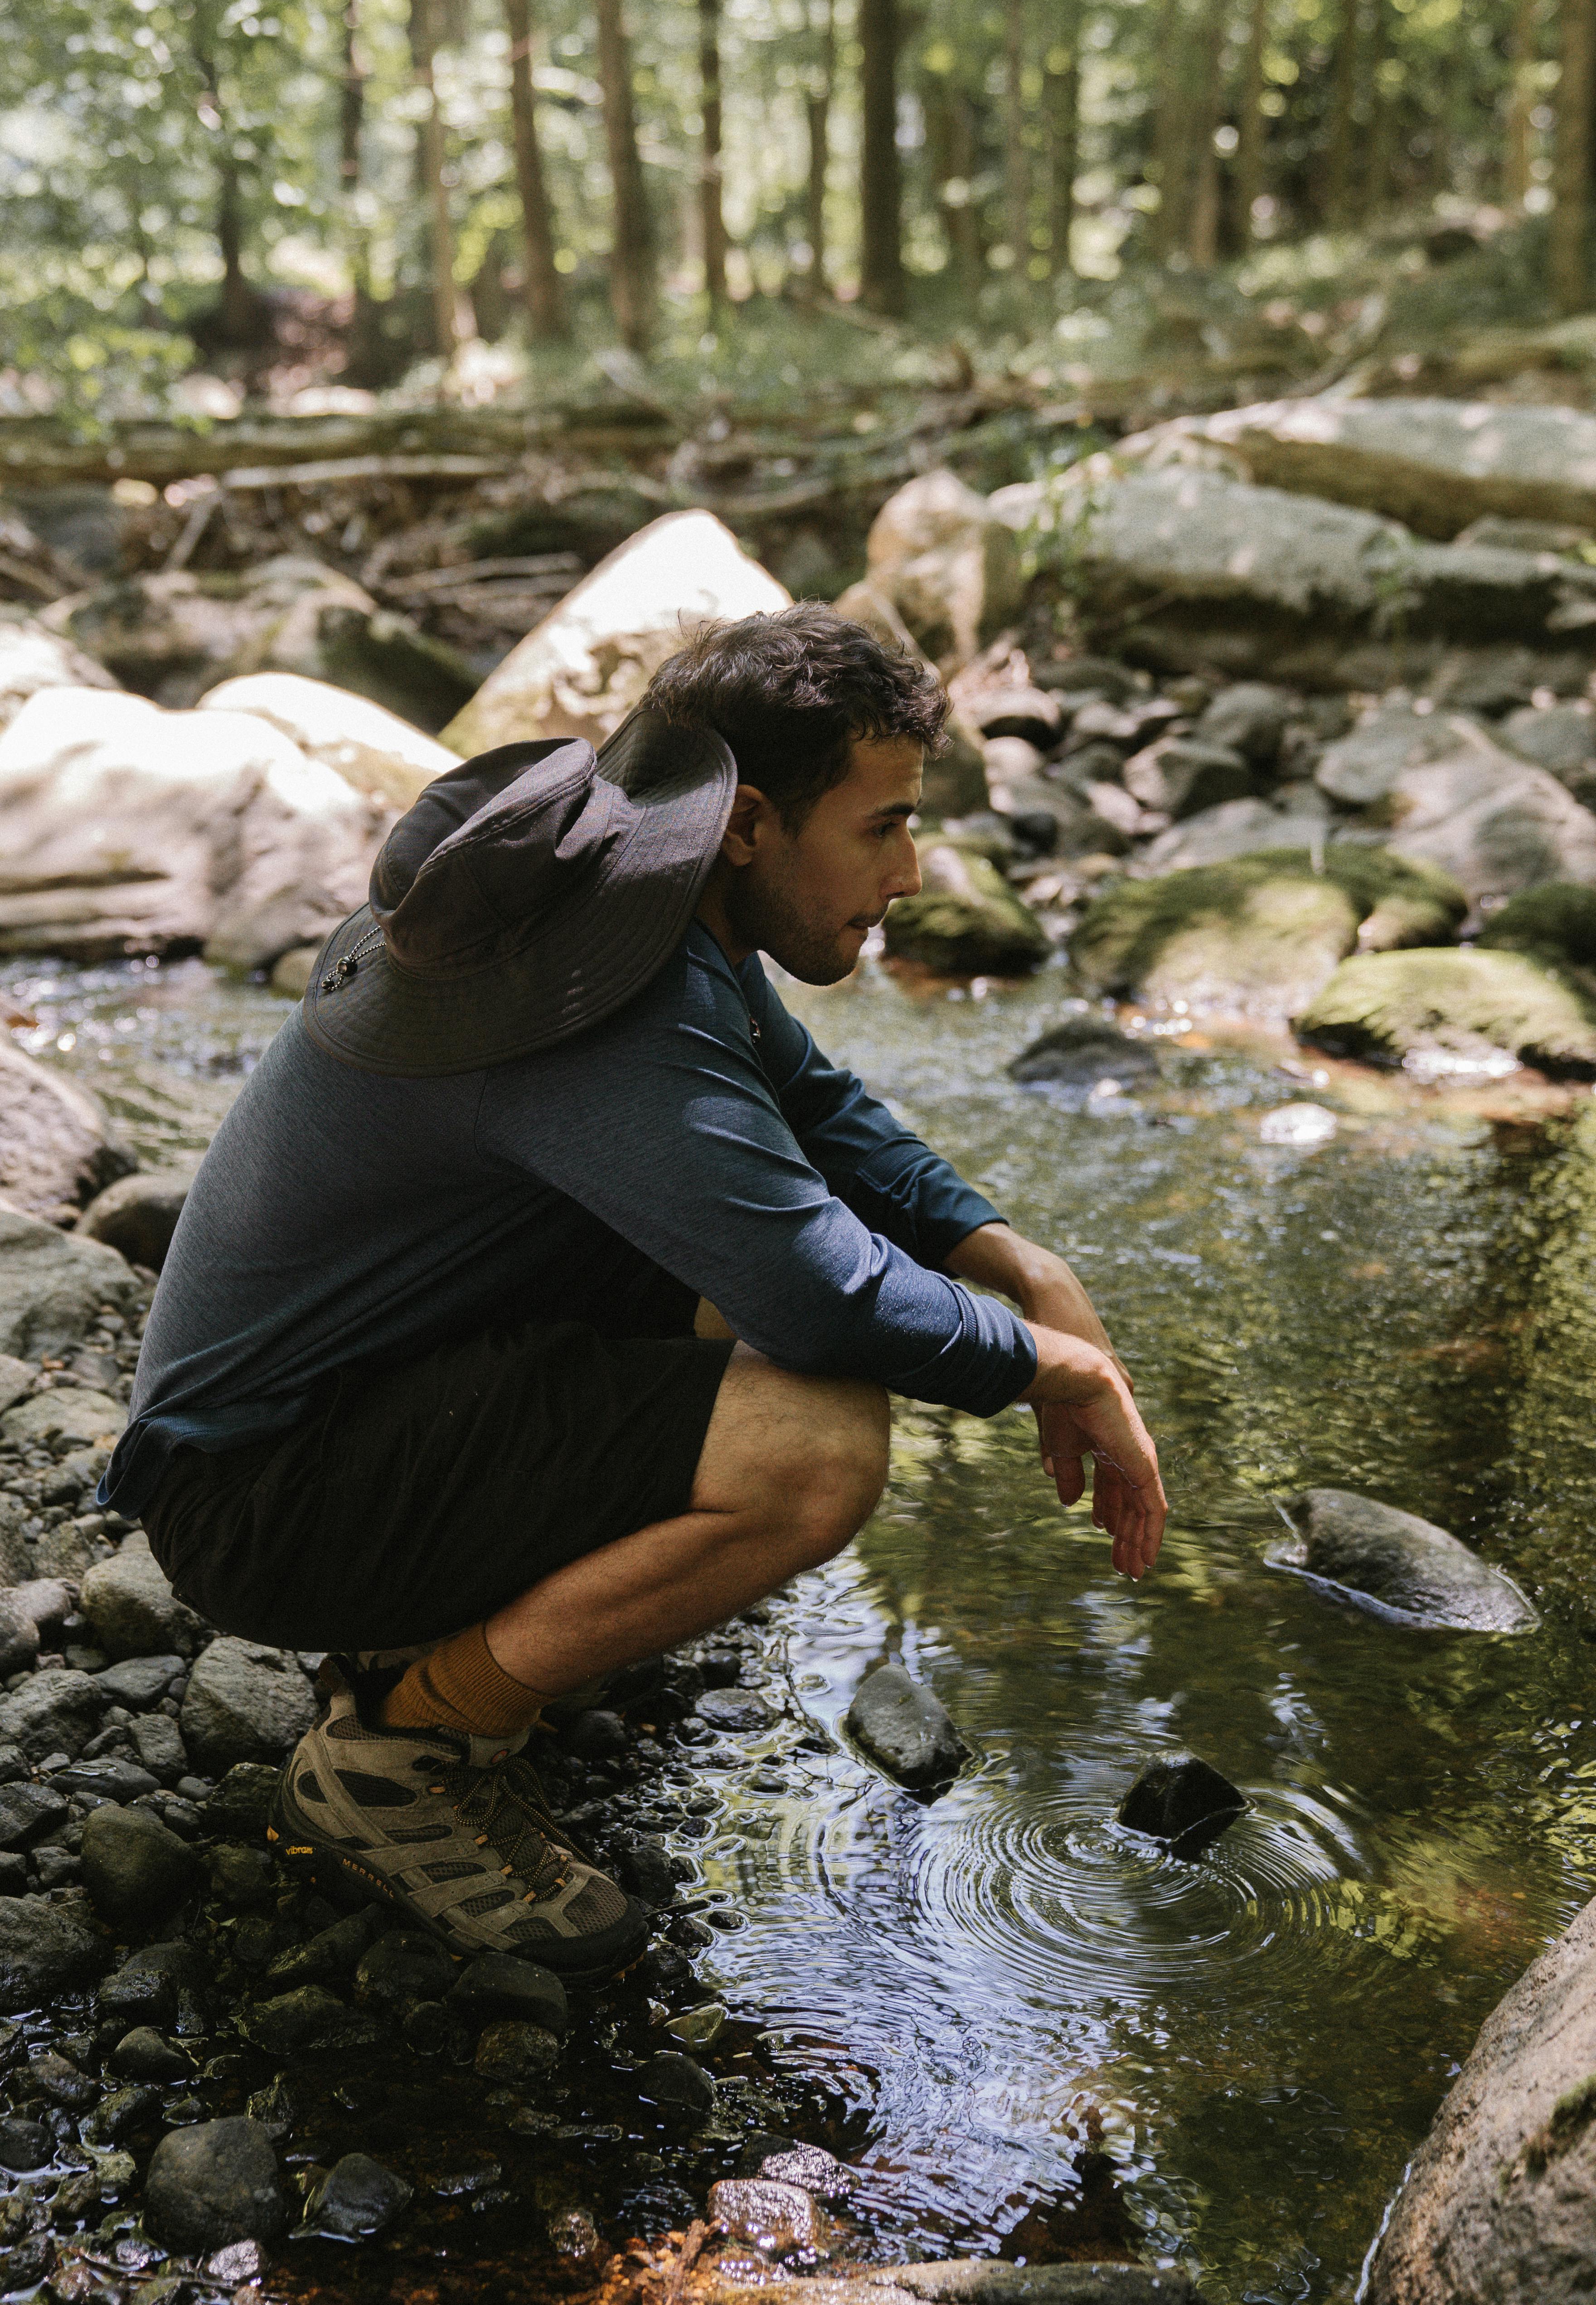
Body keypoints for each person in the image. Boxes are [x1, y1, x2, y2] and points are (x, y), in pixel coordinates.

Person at [100, 603, 1169, 1987]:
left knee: (751, 1233)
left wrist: (1011, 1257)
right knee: (817, 1445)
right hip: (260, 1502)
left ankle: (458, 1627)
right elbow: (825, 1304)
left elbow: (817, 1106)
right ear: (747, 825)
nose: (911, 871)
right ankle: (399, 1752)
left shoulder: (634, 911)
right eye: (882, 823)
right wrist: (1059, 1368)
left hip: (346, 1407)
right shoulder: (602, 995)